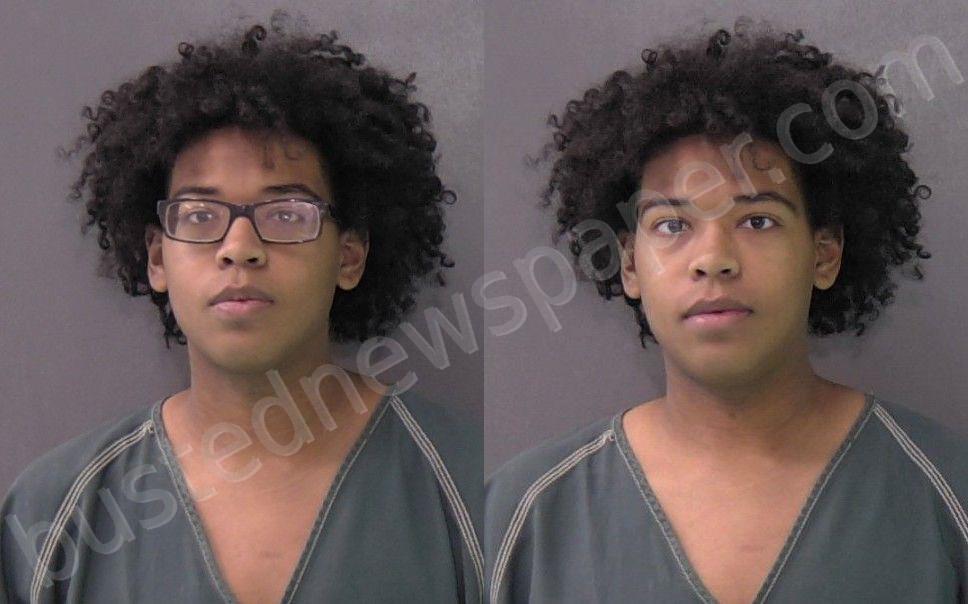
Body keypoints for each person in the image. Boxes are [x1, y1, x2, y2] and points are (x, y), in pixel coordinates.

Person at [1, 16, 482, 604]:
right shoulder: (53, 515)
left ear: (349, 257)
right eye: (200, 215)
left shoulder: (469, 486)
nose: (238, 248)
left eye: (286, 214)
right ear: (158, 257)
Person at [485, 18, 967, 604]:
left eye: (758, 220)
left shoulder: (947, 492)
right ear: (630, 264)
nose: (713, 259)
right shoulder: (522, 516)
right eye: (672, 225)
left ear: (824, 254)